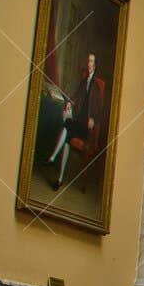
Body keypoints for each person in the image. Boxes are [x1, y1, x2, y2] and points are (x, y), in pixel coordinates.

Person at [45, 52, 105, 189]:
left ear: (95, 65)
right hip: (78, 122)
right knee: (67, 136)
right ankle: (59, 179)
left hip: (86, 128)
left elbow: (101, 111)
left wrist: (94, 119)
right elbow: (75, 97)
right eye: (88, 61)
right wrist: (68, 103)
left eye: (91, 61)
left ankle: (52, 158)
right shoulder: (84, 81)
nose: (88, 64)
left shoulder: (96, 85)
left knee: (67, 126)